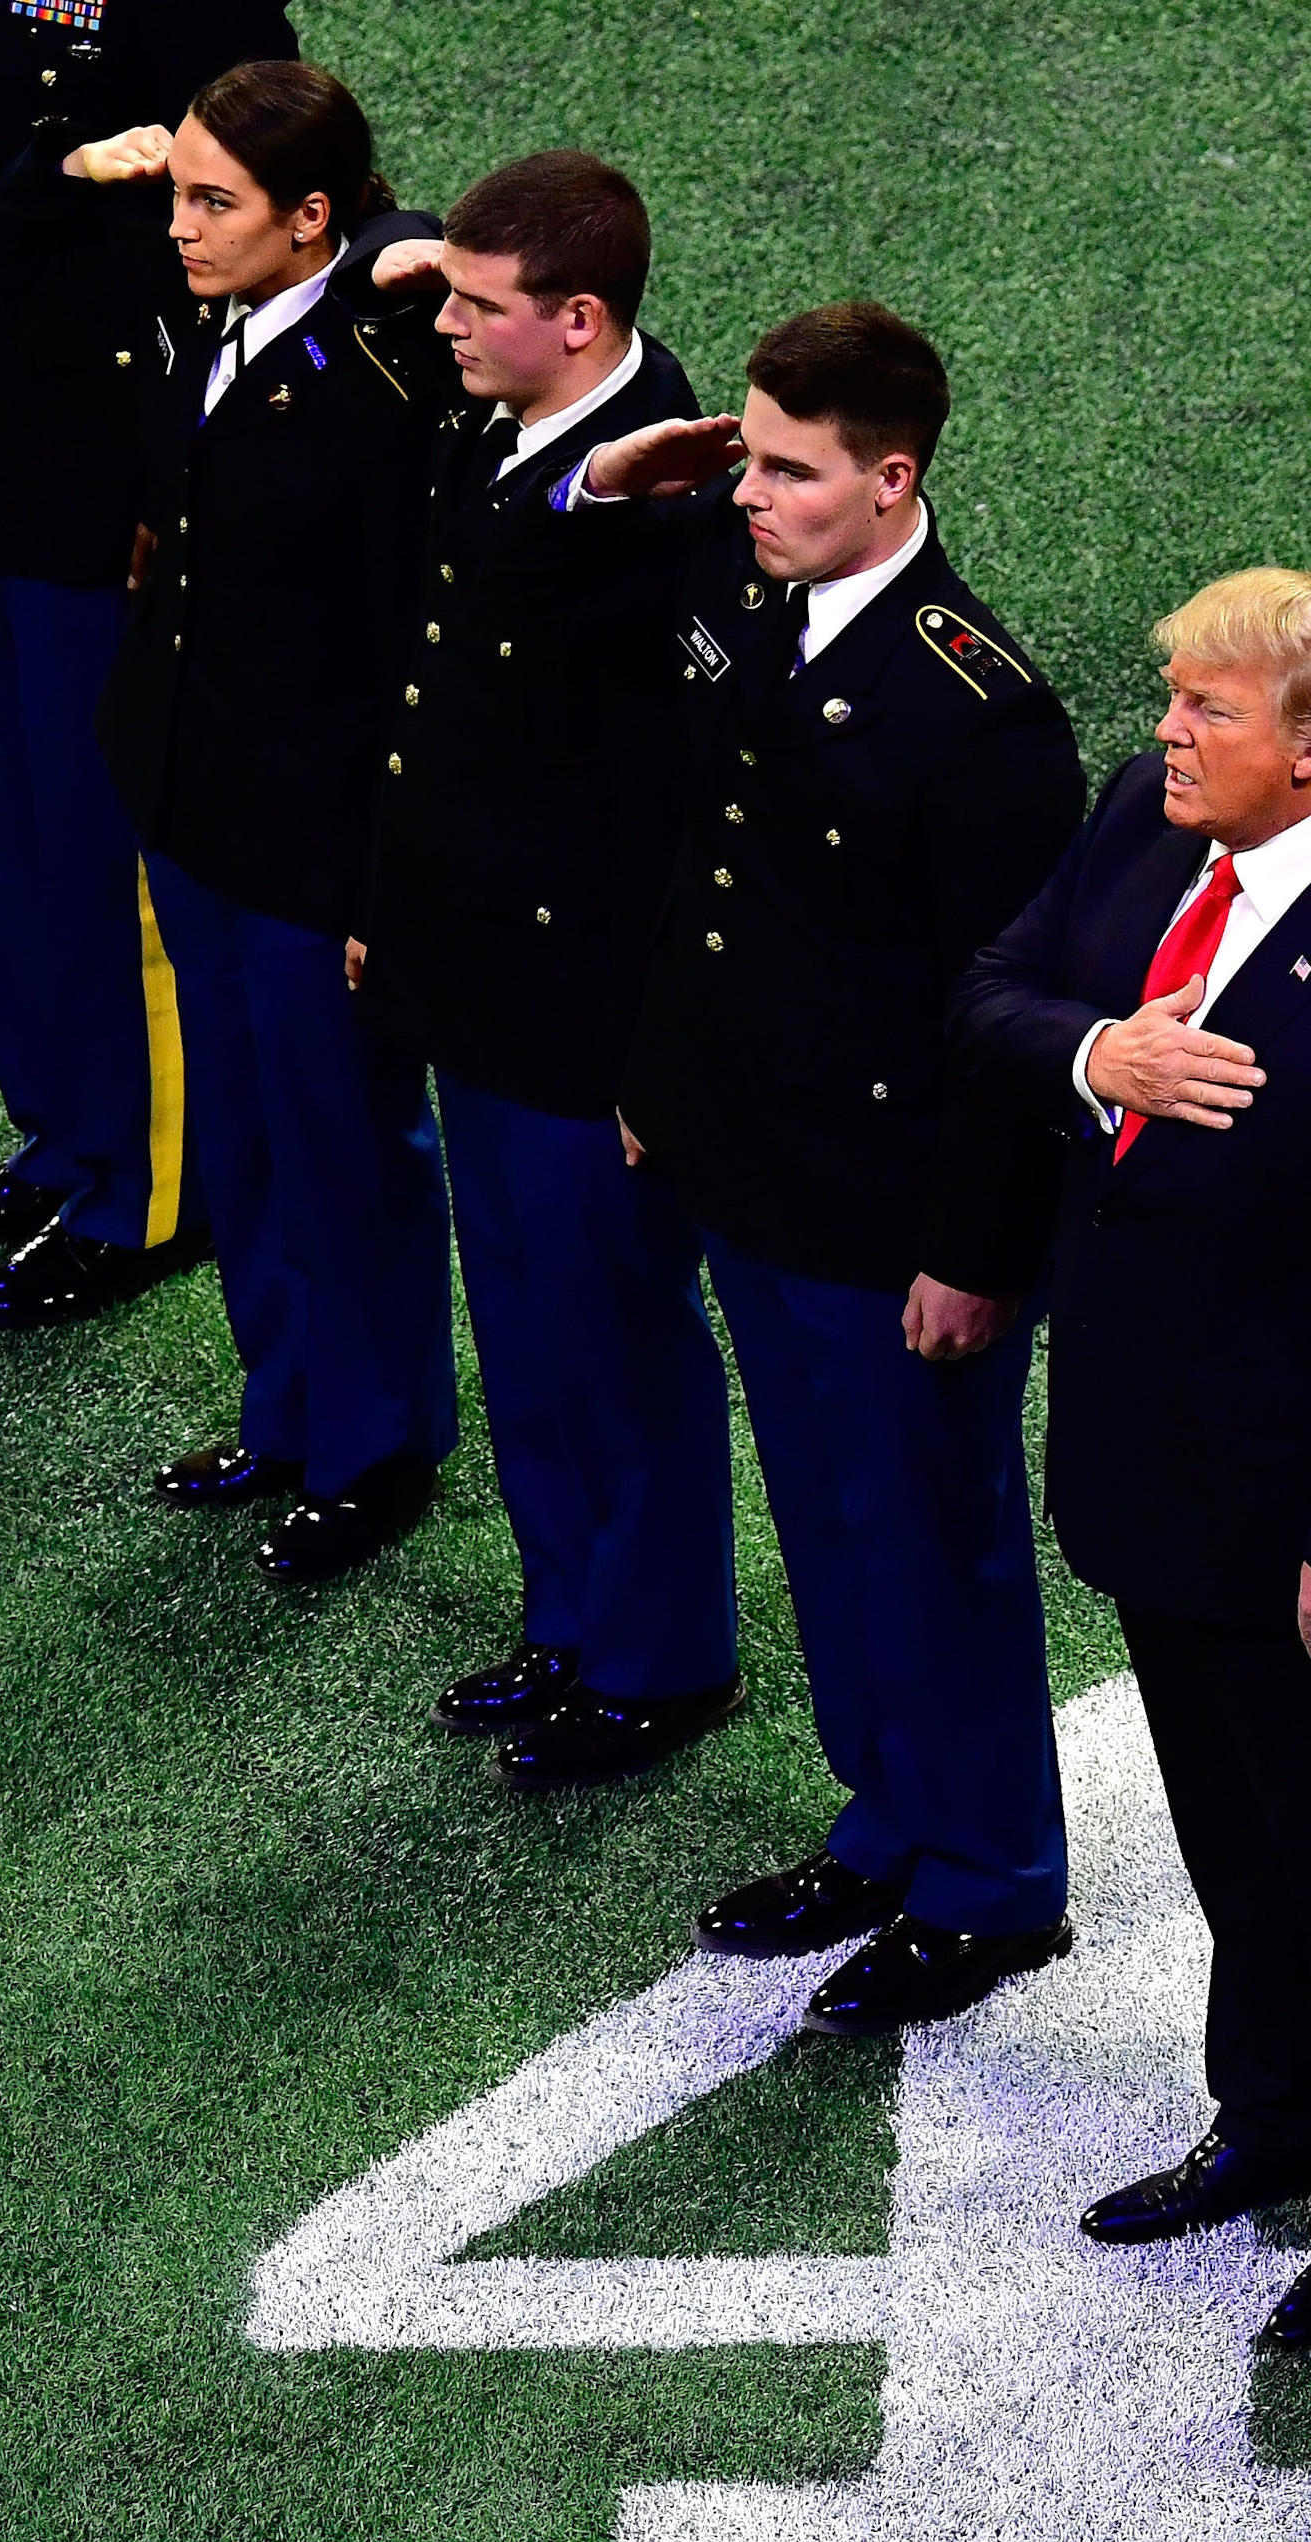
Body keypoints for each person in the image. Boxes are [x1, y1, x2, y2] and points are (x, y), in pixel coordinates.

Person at [950, 569, 1311, 2343]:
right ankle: (1266, 2115)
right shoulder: (1141, 819)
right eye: (1172, 696)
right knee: (1230, 1830)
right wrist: (1098, 1049)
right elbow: (996, 990)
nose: (1167, 730)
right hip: (1152, 1459)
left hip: (1310, 1516)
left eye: (1206, 706)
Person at [548, 305, 1088, 2025]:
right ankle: (886, 1814)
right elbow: (692, 868)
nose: (750, 489)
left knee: (932, 1538)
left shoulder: (979, 715)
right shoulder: (740, 579)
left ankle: (992, 1876)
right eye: (752, 460)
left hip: (889, 1213)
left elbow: (1004, 1018)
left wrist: (977, 1248)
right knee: (831, 1525)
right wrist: (663, 1084)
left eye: (789, 467)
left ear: (893, 477)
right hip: (751, 1166)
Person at [336, 155, 748, 1775]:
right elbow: (448, 709)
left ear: (579, 322)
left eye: (479, 304)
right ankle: (573, 1614)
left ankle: (662, 1657)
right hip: (487, 977)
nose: (446, 320)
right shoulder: (512, 421)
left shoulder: (663, 495)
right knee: (521, 1318)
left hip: (587, 1004)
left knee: (612, 1333)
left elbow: (655, 767)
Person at [75, 66, 457, 1584]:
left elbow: (397, 657)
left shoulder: (387, 366)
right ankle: (285, 1405)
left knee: (343, 1143)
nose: (177, 228)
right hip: (193, 804)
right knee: (241, 1131)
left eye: (212, 203)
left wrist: (377, 875)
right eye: (179, 192)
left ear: (311, 220)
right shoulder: (212, 314)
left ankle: (377, 1447)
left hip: (311, 842)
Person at [0, 0, 285, 1322]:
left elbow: (240, 224)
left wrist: (173, 475)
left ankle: (152, 1187)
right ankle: (64, 1138)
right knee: (3, 838)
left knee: (108, 853)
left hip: (100, 469)